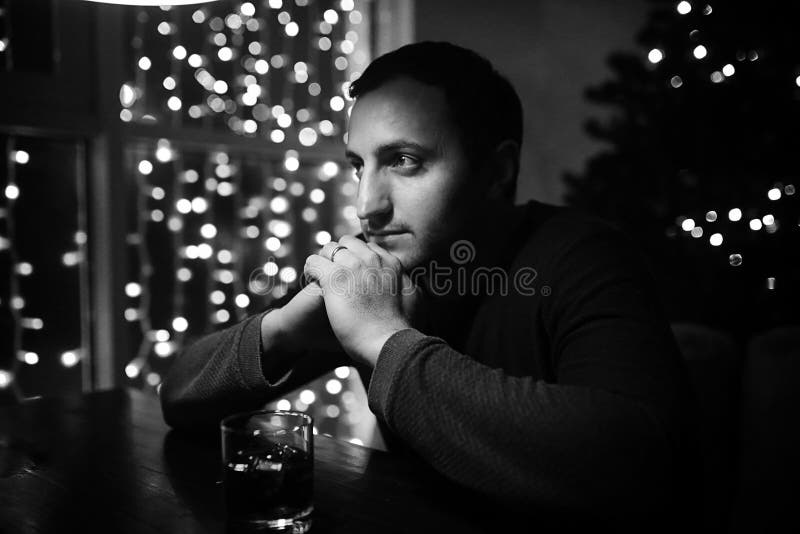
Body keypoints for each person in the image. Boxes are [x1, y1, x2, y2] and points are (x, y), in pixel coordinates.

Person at [161, 42, 700, 530]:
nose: (366, 206)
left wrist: (381, 340)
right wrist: (279, 331)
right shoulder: (377, 265)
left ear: (496, 171)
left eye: (404, 161)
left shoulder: (584, 254)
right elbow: (179, 399)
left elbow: (636, 463)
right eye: (358, 165)